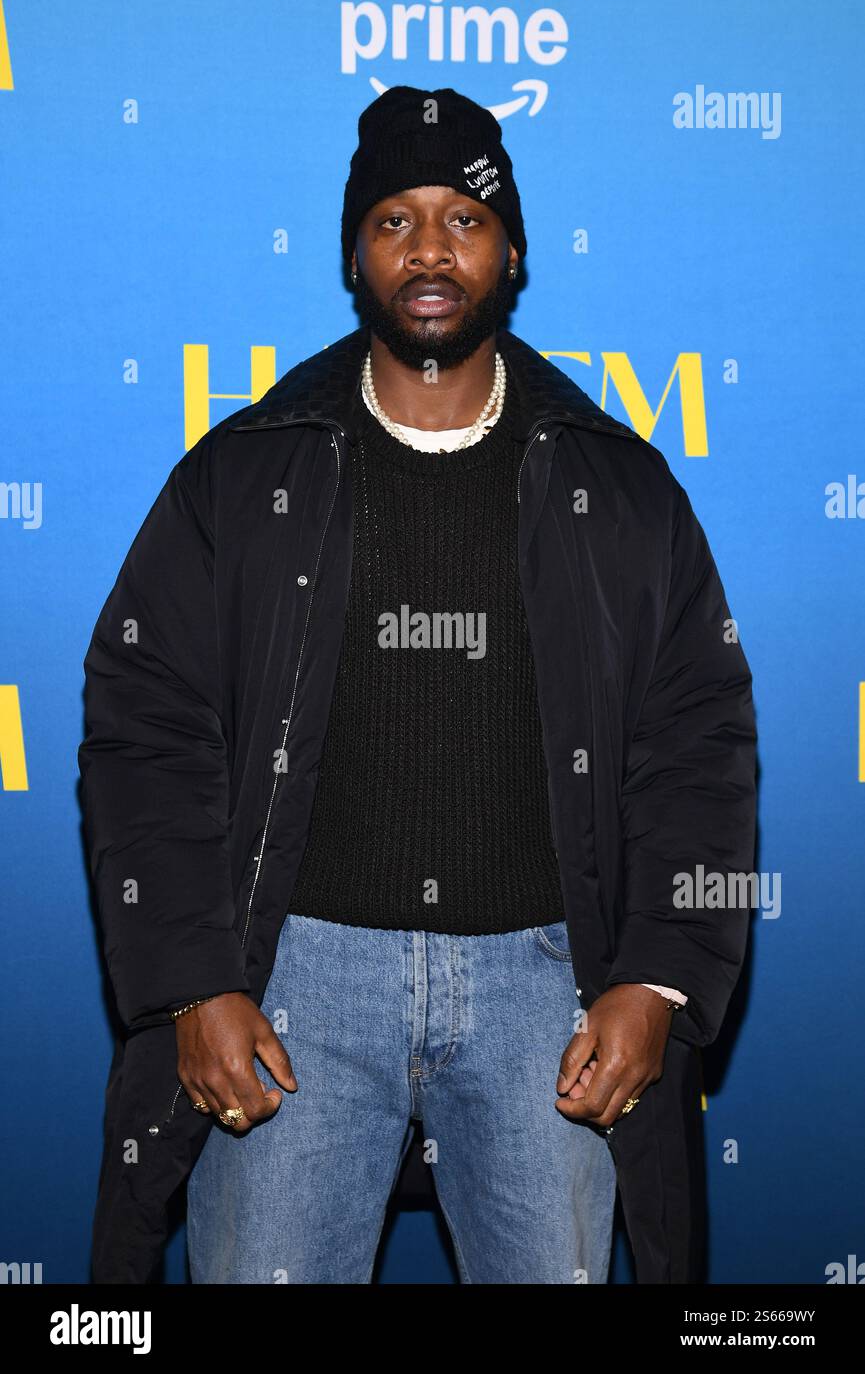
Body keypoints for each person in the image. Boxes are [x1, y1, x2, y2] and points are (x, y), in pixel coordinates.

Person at [78, 86, 757, 1285]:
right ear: (353, 250)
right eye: (395, 219)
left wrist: (656, 978)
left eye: (462, 218)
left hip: (548, 993)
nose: (430, 249)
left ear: (512, 251)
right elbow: (145, 724)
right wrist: (194, 978)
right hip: (290, 987)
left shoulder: (623, 487)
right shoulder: (245, 474)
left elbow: (697, 740)